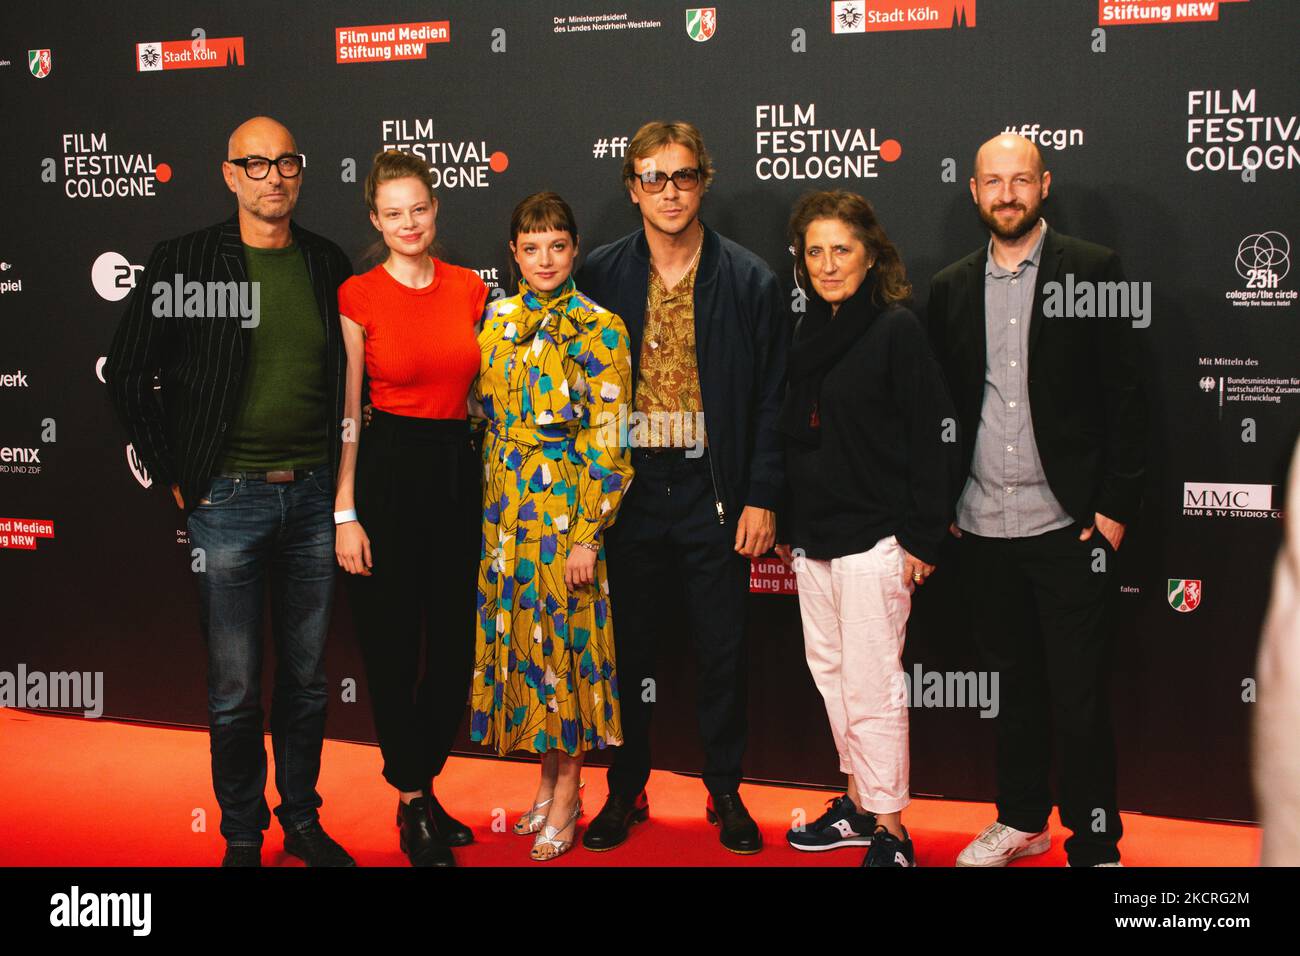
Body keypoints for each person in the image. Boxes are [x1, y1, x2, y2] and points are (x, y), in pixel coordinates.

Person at [104, 116, 356, 867]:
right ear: (228, 174)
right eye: (256, 163)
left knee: (307, 683)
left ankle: (302, 819)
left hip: (313, 497)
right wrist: (177, 468)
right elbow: (127, 373)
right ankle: (243, 832)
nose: (272, 176)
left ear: (301, 173)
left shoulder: (324, 263)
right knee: (236, 687)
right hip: (228, 503)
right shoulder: (186, 263)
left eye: (286, 162)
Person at [927, 133, 1146, 867]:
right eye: (994, 182)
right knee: (1010, 690)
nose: (1008, 194)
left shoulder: (1093, 270)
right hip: (983, 529)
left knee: (1079, 697)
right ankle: (1021, 820)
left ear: (1044, 184)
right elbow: (941, 410)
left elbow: (1128, 401)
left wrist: (1112, 512)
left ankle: (1094, 837)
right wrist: (945, 510)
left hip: (1068, 530)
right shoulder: (951, 287)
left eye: (1021, 180)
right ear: (975, 191)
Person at [576, 120, 788, 854]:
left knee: (722, 649)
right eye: (654, 178)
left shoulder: (751, 279)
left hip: (712, 489)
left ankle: (723, 787)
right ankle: (625, 787)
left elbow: (772, 398)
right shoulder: (599, 274)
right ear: (632, 186)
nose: (670, 191)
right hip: (629, 490)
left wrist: (761, 493)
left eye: (684, 176)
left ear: (705, 180)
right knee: (625, 652)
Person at [775, 191, 958, 868]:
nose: (827, 264)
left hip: (877, 541)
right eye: (814, 251)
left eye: (841, 250)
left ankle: (892, 830)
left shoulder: (895, 328)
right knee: (831, 677)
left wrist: (921, 538)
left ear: (870, 254)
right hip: (815, 541)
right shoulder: (811, 331)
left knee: (873, 685)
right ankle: (857, 802)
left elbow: (932, 435)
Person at [470, 192, 634, 861]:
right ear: (513, 252)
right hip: (504, 512)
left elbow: (612, 438)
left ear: (574, 251)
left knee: (564, 651)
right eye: (531, 246)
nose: (545, 259)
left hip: (566, 511)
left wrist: (589, 533)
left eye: (558, 245)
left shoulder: (602, 327)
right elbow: (480, 409)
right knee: (529, 651)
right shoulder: (494, 320)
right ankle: (545, 775)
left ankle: (571, 791)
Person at [334, 151, 486, 867]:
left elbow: (486, 393)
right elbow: (348, 413)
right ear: (375, 219)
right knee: (393, 651)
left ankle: (418, 784)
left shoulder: (470, 288)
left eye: (417, 209)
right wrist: (344, 511)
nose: (407, 223)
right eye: (392, 213)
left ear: (436, 208)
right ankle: (412, 800)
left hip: (459, 474)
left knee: (454, 651)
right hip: (387, 475)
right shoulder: (357, 295)